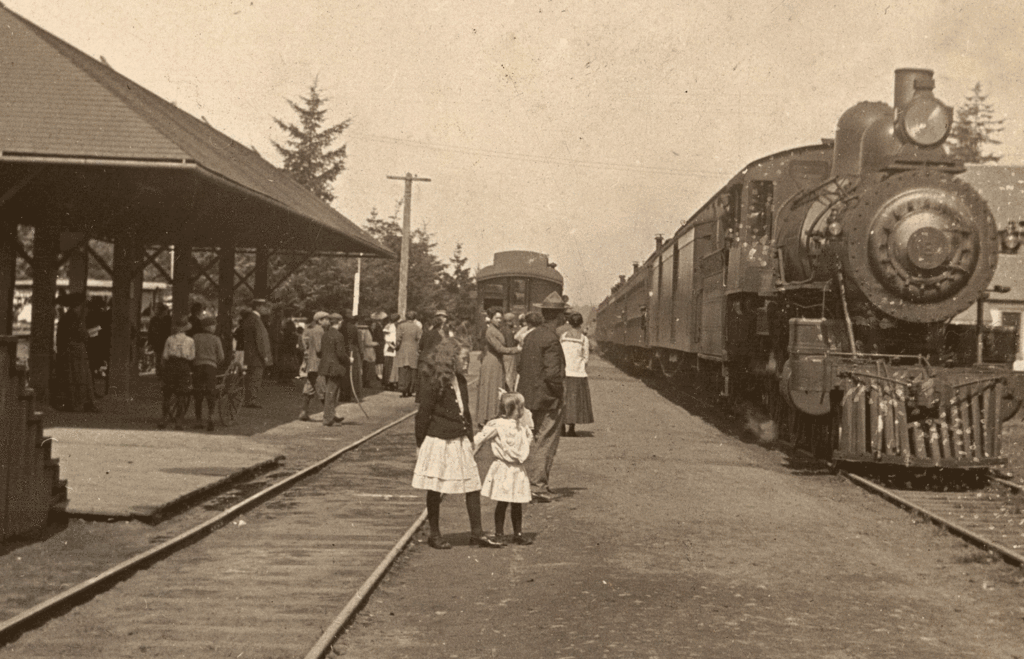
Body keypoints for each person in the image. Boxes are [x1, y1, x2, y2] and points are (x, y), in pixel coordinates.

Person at [413, 339, 503, 549]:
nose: (467, 363)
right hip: (438, 441)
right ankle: (434, 534)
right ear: (450, 359)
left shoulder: (460, 381)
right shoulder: (433, 381)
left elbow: (465, 412)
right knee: (435, 488)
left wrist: (470, 439)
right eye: (464, 358)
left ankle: (477, 533)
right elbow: (422, 415)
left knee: (472, 485)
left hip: (460, 439)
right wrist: (419, 444)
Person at [517, 292, 566, 503]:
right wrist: (560, 393)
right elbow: (553, 374)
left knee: (534, 439)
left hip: (528, 396)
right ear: (559, 317)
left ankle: (531, 484)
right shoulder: (552, 339)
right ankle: (538, 486)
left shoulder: (531, 336)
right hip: (547, 398)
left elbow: (521, 366)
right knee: (545, 441)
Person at [473, 391, 534, 545]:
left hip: (517, 468)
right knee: (502, 501)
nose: (523, 412)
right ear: (514, 410)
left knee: (517, 502)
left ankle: (518, 533)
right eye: (521, 408)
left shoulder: (521, 426)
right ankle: (499, 532)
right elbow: (480, 437)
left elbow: (527, 440)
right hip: (503, 467)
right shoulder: (498, 425)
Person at [476, 308, 520, 426]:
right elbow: (499, 348)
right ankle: (486, 416)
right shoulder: (490, 331)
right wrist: (516, 349)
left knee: (495, 387)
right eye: (497, 318)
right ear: (491, 318)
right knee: (490, 388)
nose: (499, 320)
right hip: (491, 361)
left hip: (496, 361)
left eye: (501, 318)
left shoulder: (496, 329)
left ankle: (492, 415)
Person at [55, 292, 96, 412]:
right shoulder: (76, 317)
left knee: (72, 377)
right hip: (76, 350)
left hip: (69, 349)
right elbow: (81, 334)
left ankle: (74, 402)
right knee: (79, 377)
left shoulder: (67, 317)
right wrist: (88, 334)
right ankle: (79, 403)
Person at [560, 312, 594, 436]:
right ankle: (572, 429)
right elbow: (586, 358)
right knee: (575, 402)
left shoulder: (563, 336)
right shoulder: (583, 339)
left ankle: (562, 428)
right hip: (578, 374)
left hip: (565, 373)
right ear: (580, 323)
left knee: (564, 400)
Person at [159, 316, 195, 429]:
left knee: (167, 394)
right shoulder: (190, 340)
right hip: (183, 366)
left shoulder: (169, 339)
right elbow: (192, 356)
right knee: (181, 394)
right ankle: (179, 421)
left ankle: (164, 419)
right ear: (185, 328)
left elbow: (165, 355)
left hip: (171, 366)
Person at [236, 300, 273, 408]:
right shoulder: (256, 320)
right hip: (257, 355)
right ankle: (251, 400)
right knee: (255, 378)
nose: (266, 309)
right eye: (264, 306)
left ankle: (249, 399)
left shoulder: (250, 319)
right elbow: (260, 340)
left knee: (250, 378)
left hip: (251, 353)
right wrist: (265, 355)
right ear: (258, 307)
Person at [192, 316, 225, 431]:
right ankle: (210, 417)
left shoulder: (195, 337)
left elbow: (191, 353)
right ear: (209, 327)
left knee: (198, 393)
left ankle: (198, 419)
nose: (215, 327)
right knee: (211, 392)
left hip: (197, 366)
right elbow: (221, 357)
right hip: (211, 367)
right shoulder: (216, 339)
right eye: (214, 325)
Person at [319, 312, 349, 427]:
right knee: (331, 394)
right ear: (340, 322)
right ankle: (328, 419)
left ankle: (331, 415)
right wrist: (349, 360)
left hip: (325, 367)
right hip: (335, 368)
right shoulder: (338, 335)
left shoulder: (325, 334)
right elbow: (341, 354)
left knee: (329, 392)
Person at [299, 311, 329, 421]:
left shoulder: (310, 330)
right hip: (318, 364)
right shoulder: (319, 331)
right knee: (322, 389)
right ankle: (330, 414)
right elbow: (319, 348)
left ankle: (304, 412)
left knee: (309, 387)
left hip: (310, 363)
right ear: (320, 321)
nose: (328, 321)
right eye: (326, 319)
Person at [416, 310, 450, 403]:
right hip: (432, 359)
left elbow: (420, 345)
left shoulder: (426, 333)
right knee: (431, 380)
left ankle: (420, 398)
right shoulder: (439, 335)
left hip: (423, 358)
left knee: (422, 380)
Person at [394, 311, 422, 398]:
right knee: (412, 371)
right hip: (413, 350)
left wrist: (396, 347)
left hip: (403, 349)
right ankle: (410, 390)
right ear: (414, 318)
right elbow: (419, 340)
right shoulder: (417, 328)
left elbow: (398, 339)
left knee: (403, 370)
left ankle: (403, 390)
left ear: (406, 317)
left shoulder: (401, 326)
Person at [148, 302, 172, 377]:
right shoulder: (168, 319)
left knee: (158, 358)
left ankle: (159, 372)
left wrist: (150, 342)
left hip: (157, 341)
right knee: (164, 358)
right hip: (164, 341)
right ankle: (163, 373)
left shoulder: (154, 319)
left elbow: (150, 332)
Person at [357, 315, 379, 389]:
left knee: (367, 368)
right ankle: (366, 382)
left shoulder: (367, 331)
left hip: (368, 351)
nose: (374, 327)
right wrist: (376, 343)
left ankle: (366, 382)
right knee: (367, 368)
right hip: (367, 351)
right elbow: (367, 342)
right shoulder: (366, 332)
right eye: (373, 325)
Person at [501, 312, 519, 392]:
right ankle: (510, 390)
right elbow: (510, 344)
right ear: (510, 321)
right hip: (509, 355)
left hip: (505, 354)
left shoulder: (503, 329)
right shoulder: (508, 331)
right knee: (509, 373)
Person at [383, 312, 399, 390]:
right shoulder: (389, 326)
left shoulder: (394, 326)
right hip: (390, 347)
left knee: (392, 366)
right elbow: (387, 338)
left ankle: (391, 382)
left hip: (392, 347)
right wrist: (393, 346)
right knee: (389, 366)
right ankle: (387, 383)